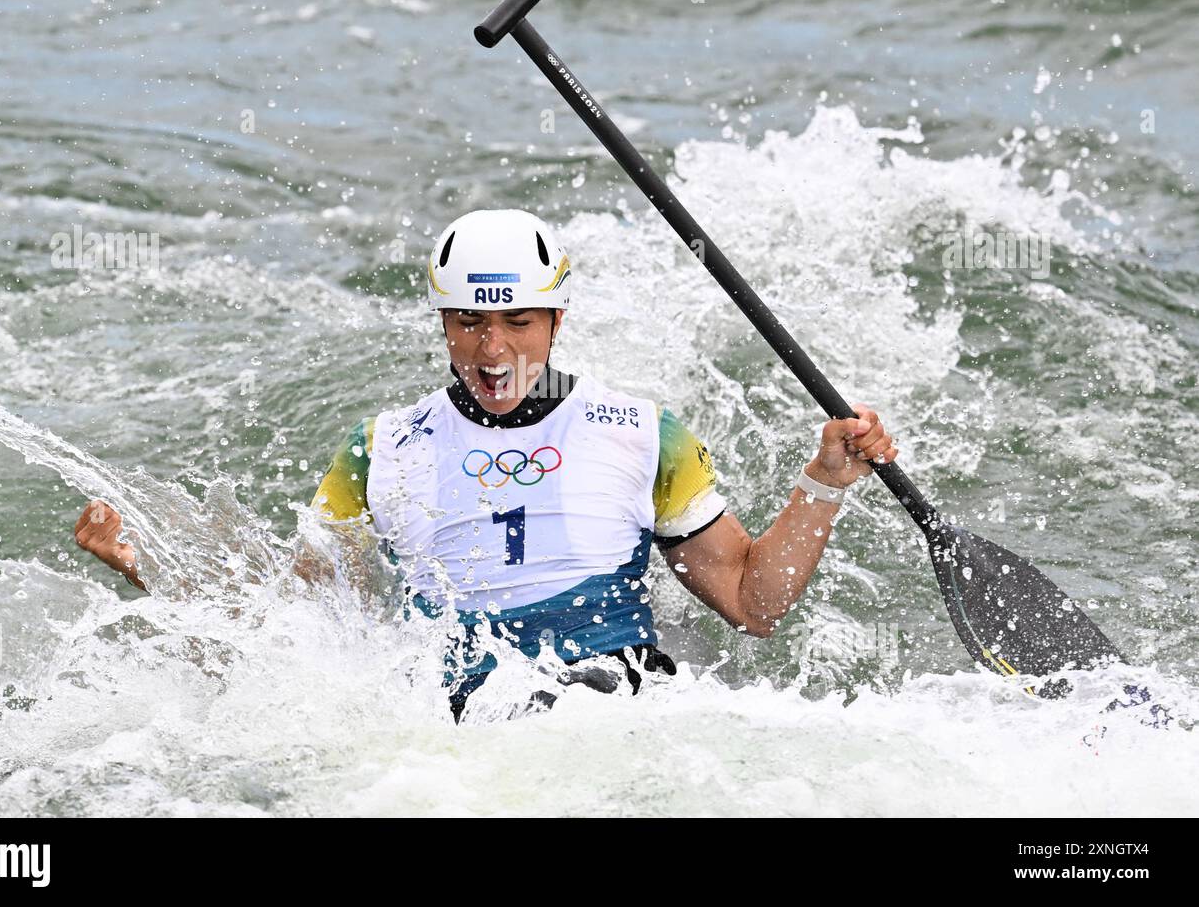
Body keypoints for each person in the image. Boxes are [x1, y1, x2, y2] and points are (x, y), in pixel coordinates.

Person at [74, 208, 899, 722]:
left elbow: (753, 604)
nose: (492, 350)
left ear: (556, 320)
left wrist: (821, 485)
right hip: (460, 727)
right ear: (442, 323)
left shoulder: (644, 432)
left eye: (516, 322)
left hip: (624, 708)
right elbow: (305, 637)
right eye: (468, 322)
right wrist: (146, 568)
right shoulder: (378, 451)